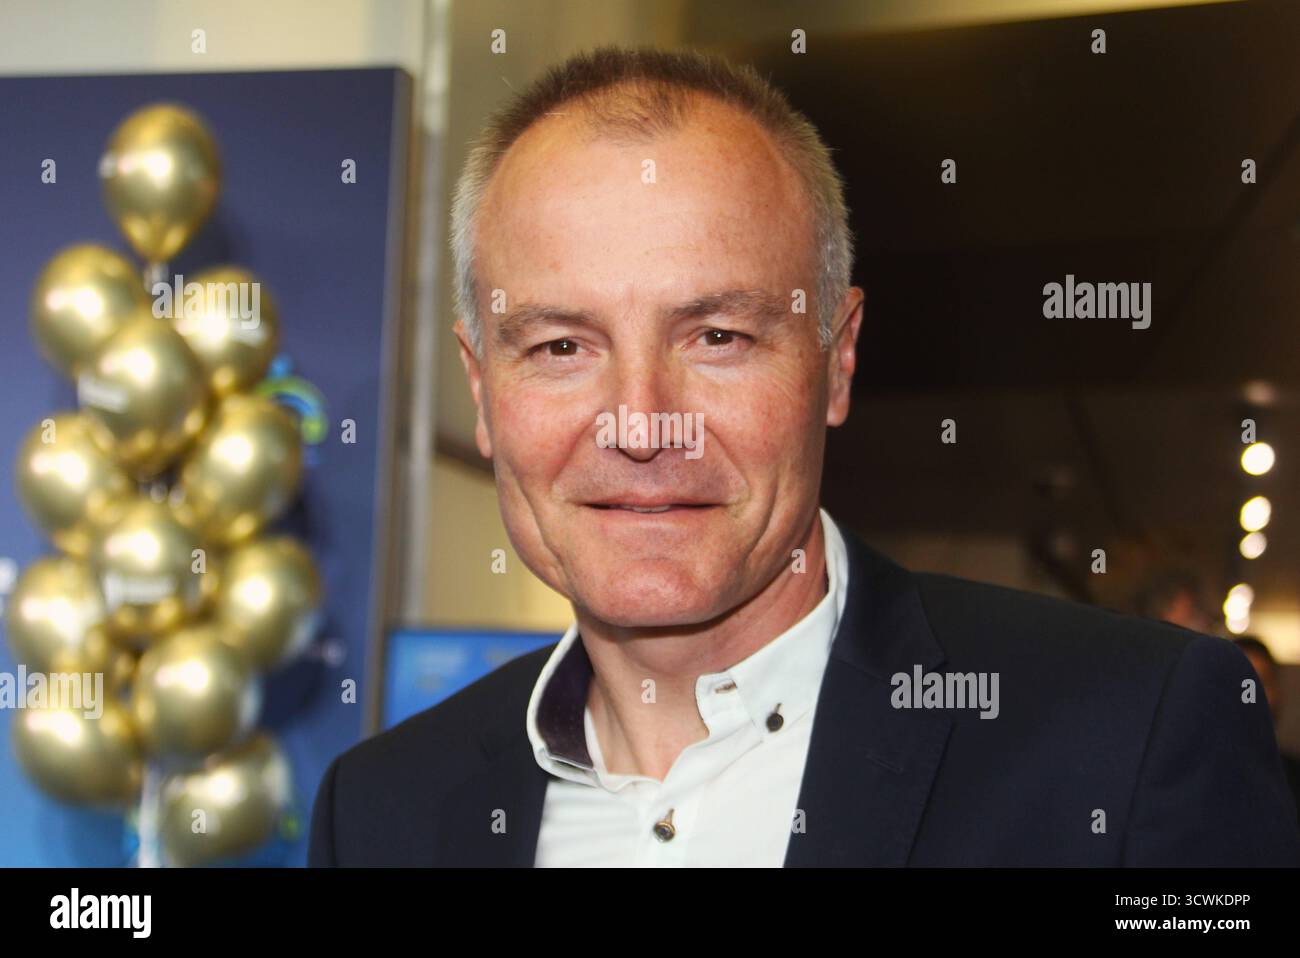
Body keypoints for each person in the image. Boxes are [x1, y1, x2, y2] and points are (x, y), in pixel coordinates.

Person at [308, 46, 1300, 866]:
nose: (645, 425)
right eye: (561, 346)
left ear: (837, 358)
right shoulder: (382, 814)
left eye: (718, 338)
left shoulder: (1129, 739)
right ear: (481, 389)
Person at [1234, 635, 1300, 821]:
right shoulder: (1194, 782)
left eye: (1262, 683)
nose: (1252, 698)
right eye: (1244, 688)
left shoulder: (1293, 779)